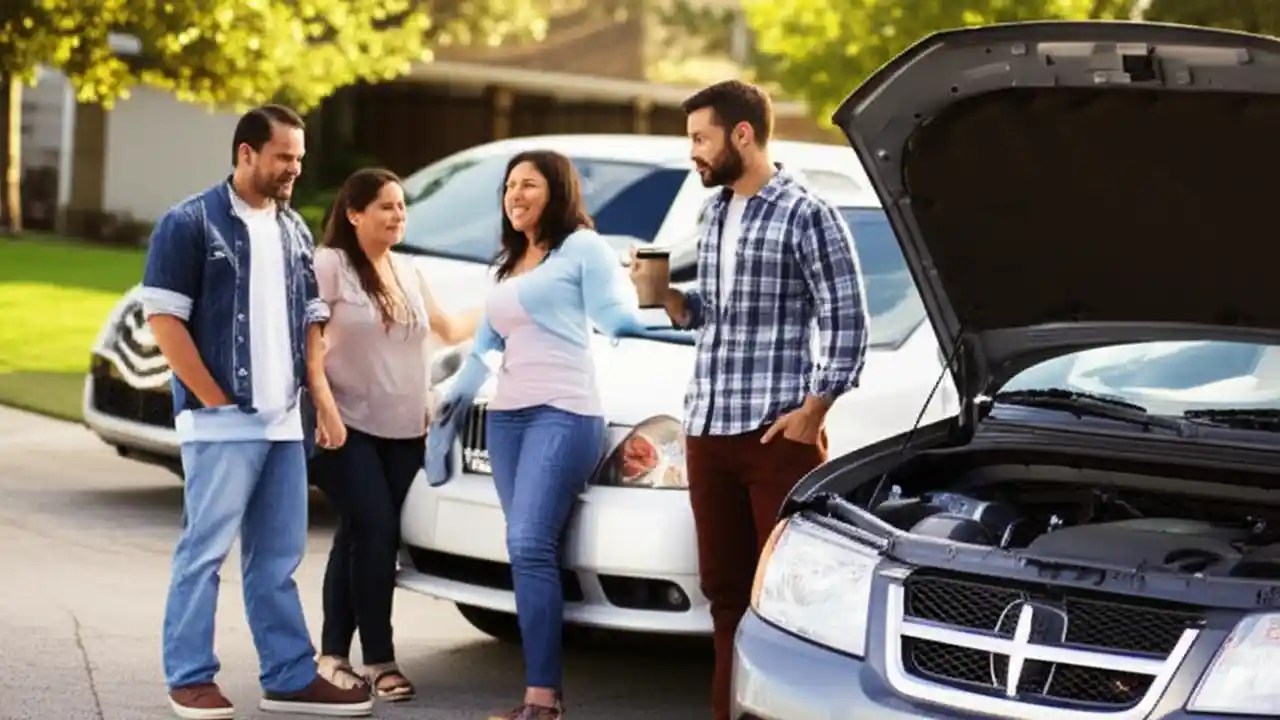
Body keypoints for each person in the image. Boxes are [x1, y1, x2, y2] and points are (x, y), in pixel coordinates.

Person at [642, 80, 870, 720]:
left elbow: (848, 317)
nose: (693, 152)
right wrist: (671, 300)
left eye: (700, 138)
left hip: (776, 437)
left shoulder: (807, 213)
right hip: (708, 429)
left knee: (787, 598)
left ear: (742, 134)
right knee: (722, 595)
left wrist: (816, 408)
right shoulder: (713, 213)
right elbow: (718, 314)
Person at [140, 105, 373, 718]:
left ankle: (289, 676)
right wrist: (214, 398)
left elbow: (311, 319)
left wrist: (319, 399)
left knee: (276, 558)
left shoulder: (295, 229)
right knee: (206, 552)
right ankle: (189, 675)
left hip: (281, 423)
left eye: (299, 158)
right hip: (221, 421)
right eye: (284, 157)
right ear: (246, 153)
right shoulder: (190, 223)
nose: (294, 168)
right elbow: (164, 318)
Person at [425, 150, 648, 720]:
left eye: (529, 184)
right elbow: (482, 351)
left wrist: (642, 307)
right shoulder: (508, 262)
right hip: (508, 417)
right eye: (509, 186)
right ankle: (539, 694)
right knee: (525, 551)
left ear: (557, 191)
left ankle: (543, 700)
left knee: (528, 544)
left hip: (564, 412)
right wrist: (451, 398)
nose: (515, 194)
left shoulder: (582, 248)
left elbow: (617, 313)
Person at [309, 167, 479, 701]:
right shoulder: (330, 264)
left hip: (405, 431)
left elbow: (449, 329)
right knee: (376, 532)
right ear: (354, 213)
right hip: (344, 425)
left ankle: (332, 655)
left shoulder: (408, 271)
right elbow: (308, 341)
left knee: (359, 535)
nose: (398, 215)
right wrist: (324, 407)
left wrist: (511, 296)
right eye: (385, 206)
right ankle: (380, 659)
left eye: (402, 206)